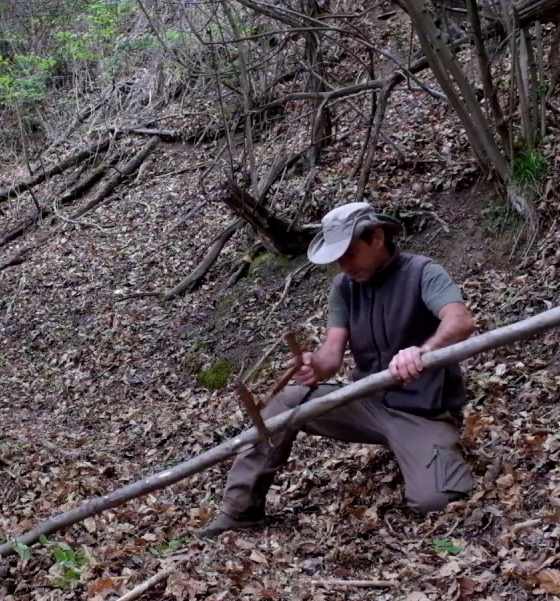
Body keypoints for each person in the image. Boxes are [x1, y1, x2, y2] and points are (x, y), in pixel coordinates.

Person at [201, 201, 478, 537]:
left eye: (349, 253)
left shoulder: (422, 272)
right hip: (366, 401)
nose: (344, 266)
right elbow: (332, 356)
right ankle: (240, 510)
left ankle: (423, 454)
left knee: (438, 500)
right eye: (337, 259)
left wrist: (424, 351)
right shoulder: (345, 287)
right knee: (288, 400)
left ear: (376, 238)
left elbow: (460, 321)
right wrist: (314, 366)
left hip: (422, 411)